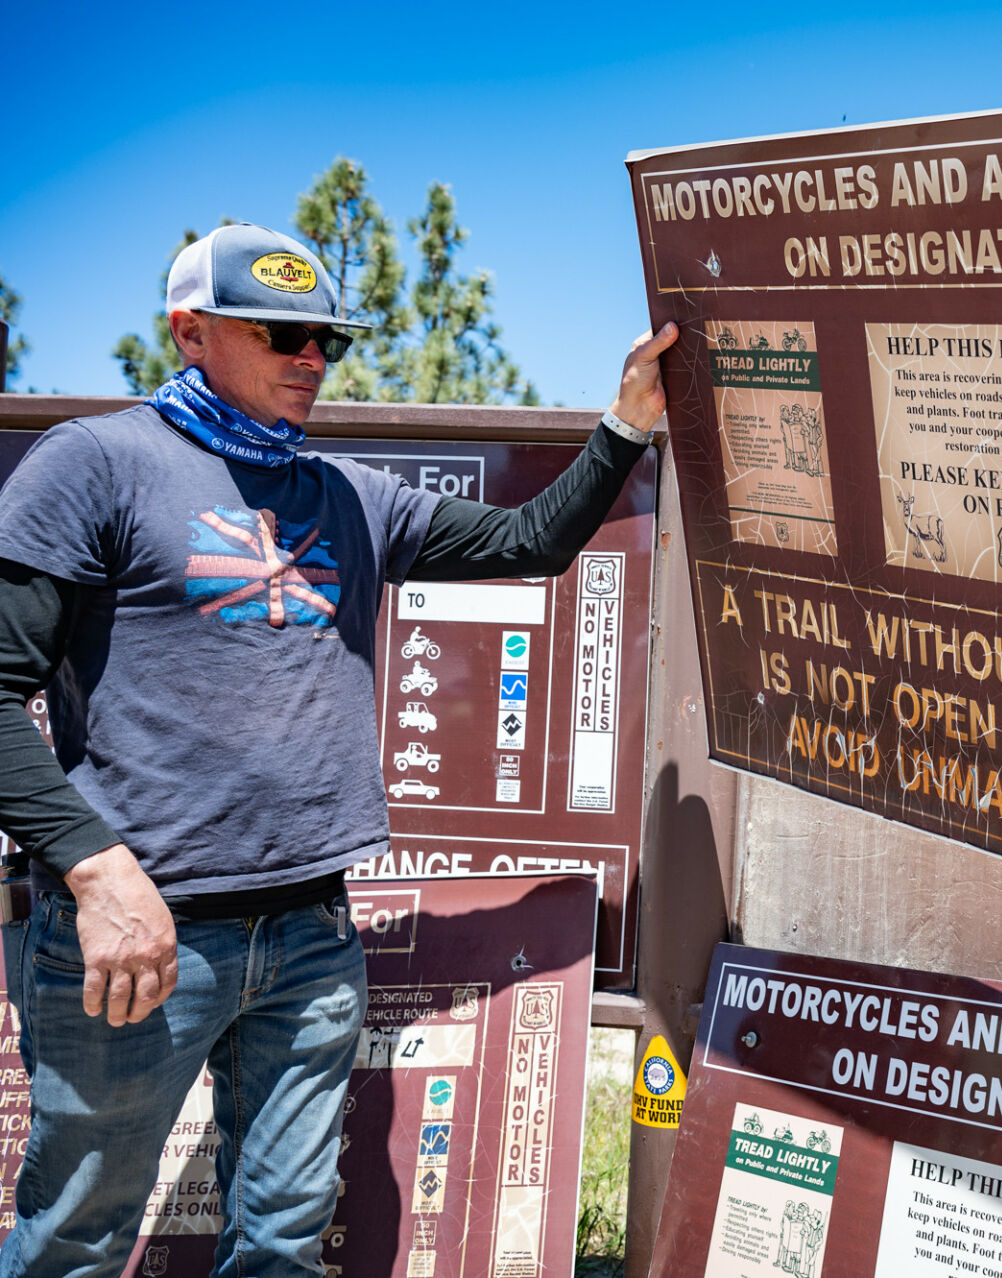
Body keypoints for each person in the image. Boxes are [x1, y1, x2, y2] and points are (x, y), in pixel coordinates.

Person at [0, 221, 678, 1276]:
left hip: (314, 934)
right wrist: (96, 872)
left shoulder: (351, 498)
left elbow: (529, 541)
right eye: (283, 335)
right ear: (191, 330)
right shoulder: (93, 466)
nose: (312, 358)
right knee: (74, 1243)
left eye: (330, 338)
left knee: (282, 1241)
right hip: (144, 939)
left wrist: (625, 426)